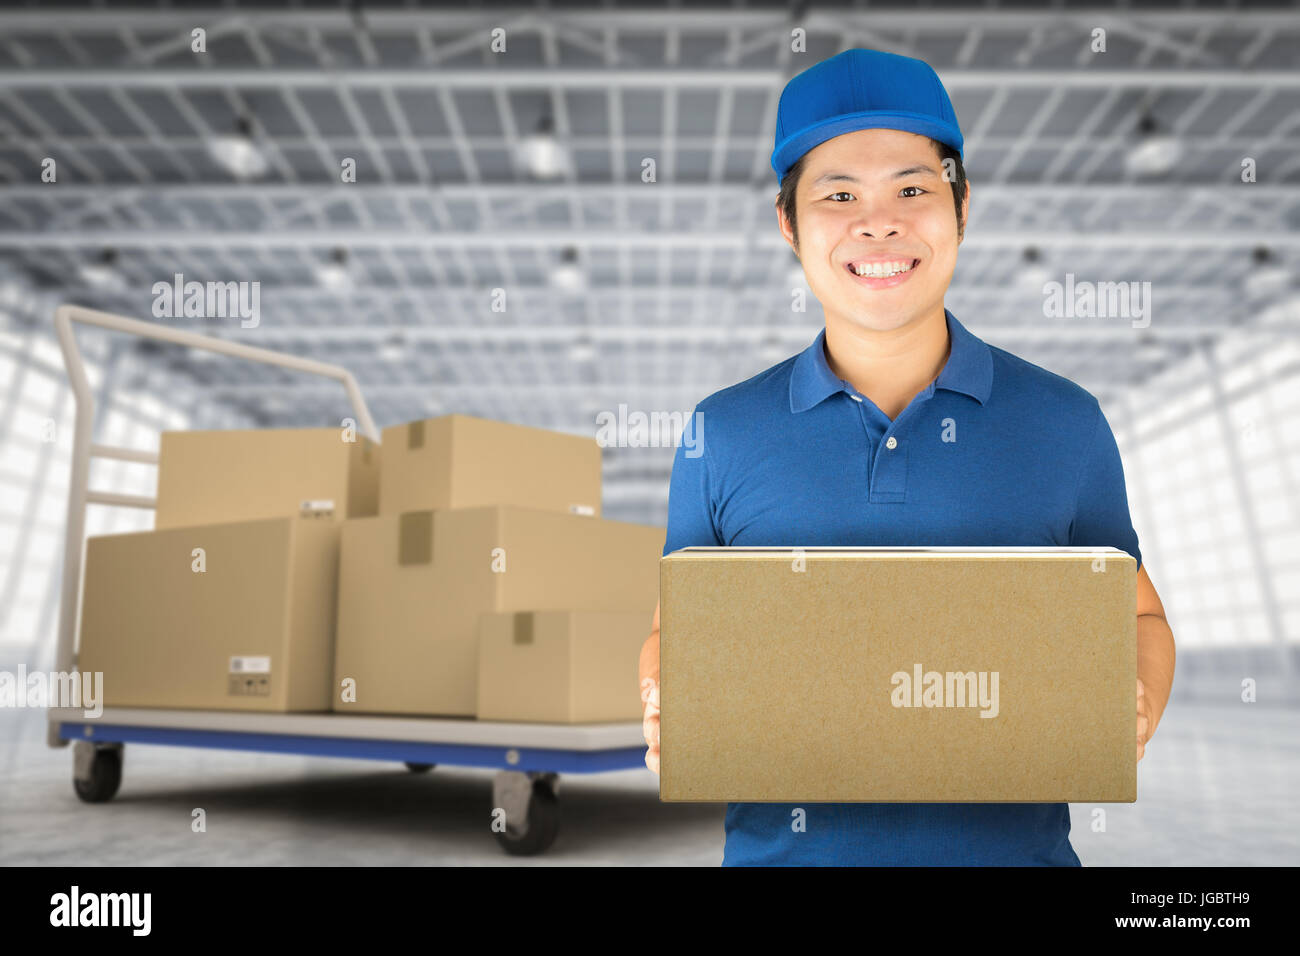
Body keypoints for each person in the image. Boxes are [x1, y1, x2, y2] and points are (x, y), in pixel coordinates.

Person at [637, 48, 1176, 866]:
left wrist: (1134, 699)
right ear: (788, 223)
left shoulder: (1065, 423)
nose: (878, 222)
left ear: (963, 208)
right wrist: (664, 698)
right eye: (839, 193)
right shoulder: (724, 432)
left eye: (913, 189)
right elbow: (674, 629)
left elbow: (1136, 615)